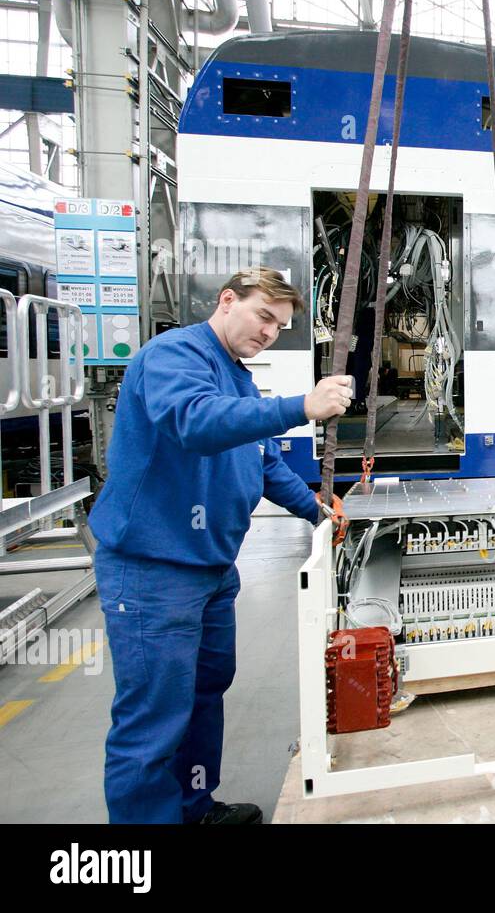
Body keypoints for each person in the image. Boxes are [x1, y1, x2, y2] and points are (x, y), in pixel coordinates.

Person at [89, 266, 353, 824]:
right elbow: (196, 422)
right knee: (154, 717)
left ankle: (194, 806)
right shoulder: (171, 357)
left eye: (279, 327)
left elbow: (263, 461)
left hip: (211, 569)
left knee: (204, 696)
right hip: (154, 571)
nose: (268, 333)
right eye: (263, 317)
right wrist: (300, 406)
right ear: (227, 300)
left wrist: (317, 509)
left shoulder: (237, 377)